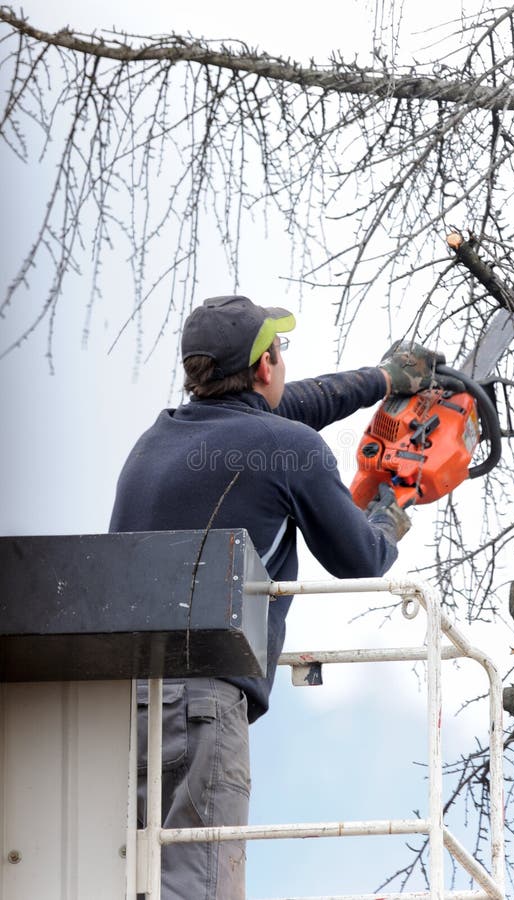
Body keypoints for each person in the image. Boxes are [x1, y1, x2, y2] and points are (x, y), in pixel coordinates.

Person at [109, 295, 447, 900]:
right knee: (200, 884)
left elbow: (290, 409)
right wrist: (386, 517)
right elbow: (360, 559)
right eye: (279, 350)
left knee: (128, 879)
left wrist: (381, 380)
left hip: (115, 704)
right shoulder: (287, 446)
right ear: (265, 365)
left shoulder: (154, 442)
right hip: (201, 706)